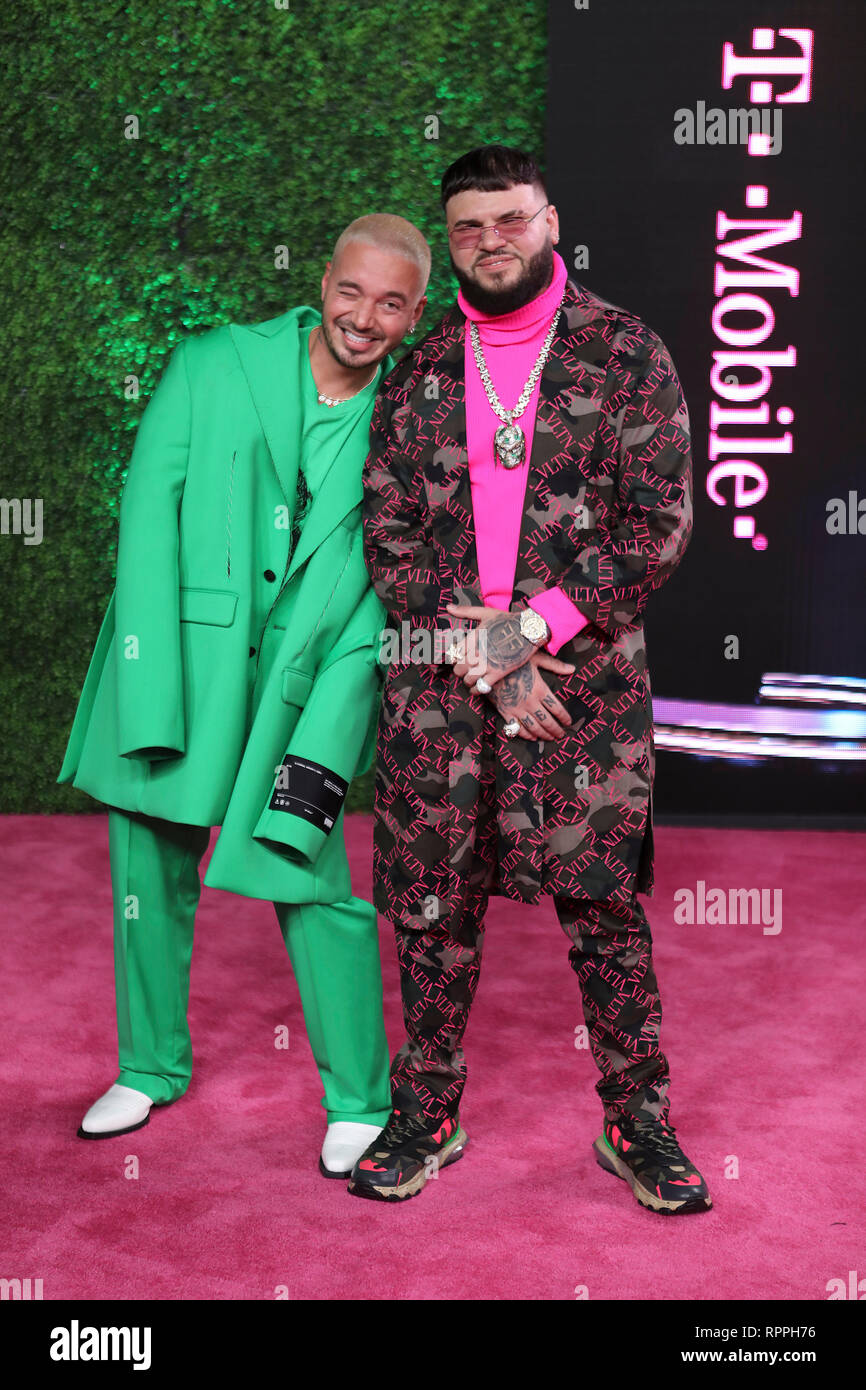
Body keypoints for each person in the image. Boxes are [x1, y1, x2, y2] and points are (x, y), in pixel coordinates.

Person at [351, 145, 711, 1214]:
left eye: (509, 220)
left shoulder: (623, 352)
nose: (488, 241)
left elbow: (661, 521)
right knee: (431, 912)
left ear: (549, 222)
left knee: (601, 912)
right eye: (466, 227)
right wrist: (484, 654)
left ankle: (635, 1121)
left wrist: (533, 629)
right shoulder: (415, 372)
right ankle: (424, 1112)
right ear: (449, 239)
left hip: (579, 693)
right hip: (439, 699)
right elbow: (387, 533)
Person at [58, 214, 430, 1179]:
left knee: (309, 882)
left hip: (305, 689)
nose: (364, 317)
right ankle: (147, 1066)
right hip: (181, 670)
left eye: (390, 303)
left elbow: (385, 604)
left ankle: (357, 1096)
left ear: (413, 313)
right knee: (146, 876)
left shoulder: (416, 420)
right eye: (352, 291)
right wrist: (147, 698)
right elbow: (147, 529)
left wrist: (332, 728)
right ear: (324, 280)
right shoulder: (211, 363)